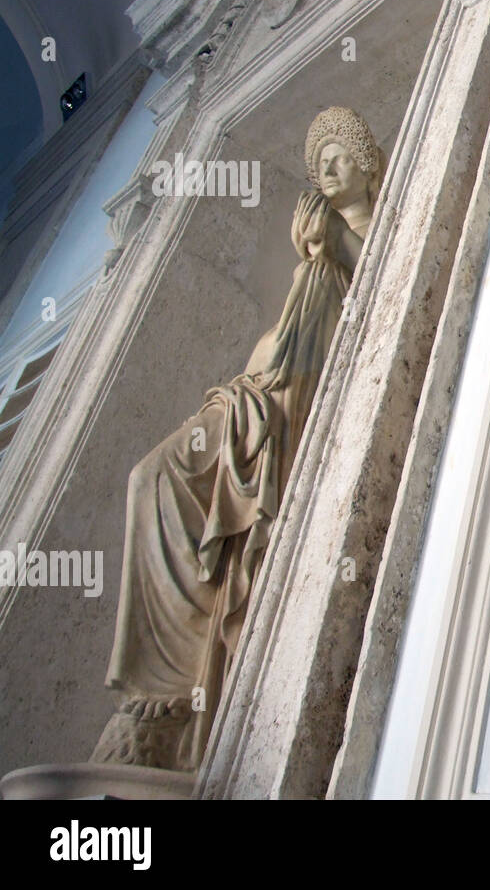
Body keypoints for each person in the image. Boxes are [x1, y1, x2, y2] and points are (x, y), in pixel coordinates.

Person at [92, 107, 384, 772]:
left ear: (367, 162)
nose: (325, 169)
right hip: (247, 399)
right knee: (150, 478)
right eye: (318, 163)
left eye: (338, 155)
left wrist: (336, 246)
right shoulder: (322, 240)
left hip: (285, 414)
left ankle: (173, 700)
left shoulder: (374, 232)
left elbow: (390, 289)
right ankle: (165, 688)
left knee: (173, 491)